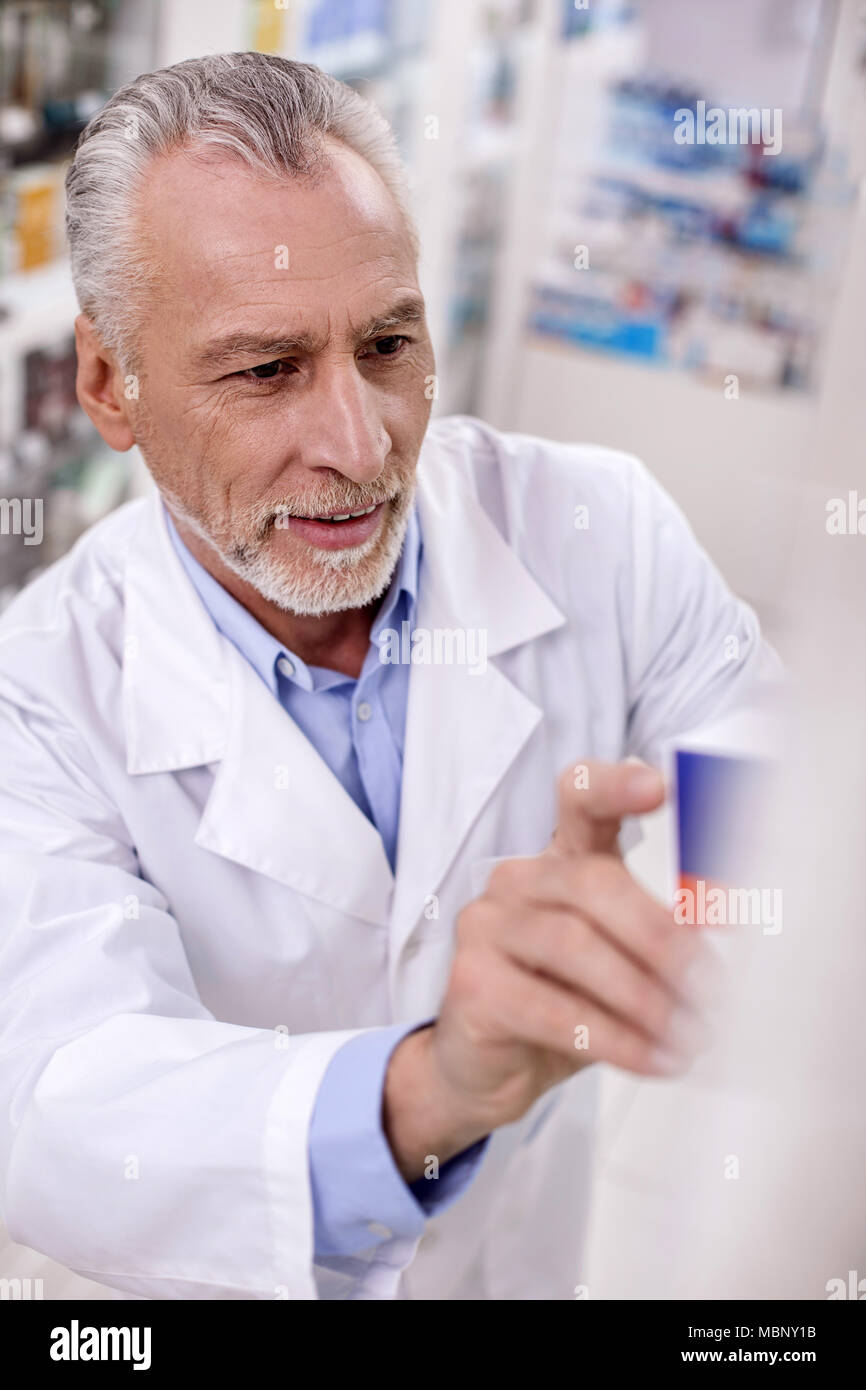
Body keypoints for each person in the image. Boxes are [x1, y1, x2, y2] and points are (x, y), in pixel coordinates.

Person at [0, 52, 779, 1300]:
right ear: (110, 385)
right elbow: (57, 1098)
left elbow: (773, 799)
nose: (361, 442)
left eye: (385, 343)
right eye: (265, 370)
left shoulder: (598, 531)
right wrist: (426, 1088)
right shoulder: (37, 693)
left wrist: (696, 909)